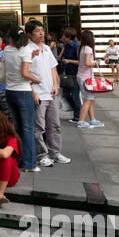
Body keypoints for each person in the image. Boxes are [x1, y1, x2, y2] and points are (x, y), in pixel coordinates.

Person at [27, 21, 70, 167]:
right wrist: (33, 92)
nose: (41, 33)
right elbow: (24, 75)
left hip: (50, 93)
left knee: (55, 125)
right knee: (39, 128)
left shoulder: (46, 48)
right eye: (37, 31)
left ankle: (55, 153)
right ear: (29, 34)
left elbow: (53, 68)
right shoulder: (27, 50)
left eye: (42, 30)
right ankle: (42, 155)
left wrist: (55, 85)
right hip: (38, 94)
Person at [2, 29, 40, 172]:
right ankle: (29, 164)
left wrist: (31, 56)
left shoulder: (6, 50)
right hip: (23, 92)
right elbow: (24, 73)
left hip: (9, 91)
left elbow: (9, 63)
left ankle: (17, 159)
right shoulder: (25, 50)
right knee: (28, 129)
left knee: (17, 128)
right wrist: (37, 80)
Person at [77, 29, 103, 128]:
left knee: (90, 99)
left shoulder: (82, 48)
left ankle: (93, 119)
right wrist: (96, 63)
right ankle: (81, 121)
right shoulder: (88, 48)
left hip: (81, 76)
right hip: (86, 78)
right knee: (88, 99)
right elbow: (88, 63)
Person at [57, 28, 82, 124]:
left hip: (75, 74)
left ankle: (78, 116)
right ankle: (77, 109)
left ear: (68, 37)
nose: (62, 37)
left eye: (63, 35)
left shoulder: (76, 46)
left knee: (75, 95)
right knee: (65, 94)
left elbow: (81, 62)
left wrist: (69, 61)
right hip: (67, 73)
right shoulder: (66, 46)